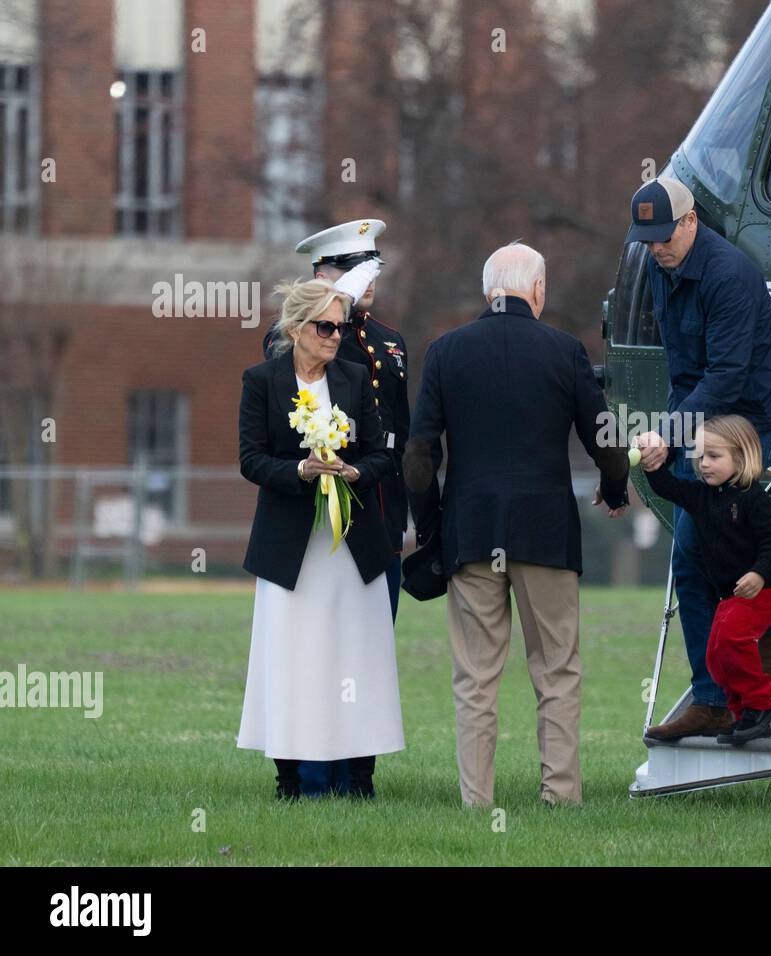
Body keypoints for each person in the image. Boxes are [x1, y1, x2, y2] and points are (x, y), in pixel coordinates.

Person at [403, 242, 629, 807]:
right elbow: (605, 440)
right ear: (539, 290)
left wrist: (433, 527)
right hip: (545, 532)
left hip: (471, 532)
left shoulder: (446, 351)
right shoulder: (564, 350)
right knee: (556, 671)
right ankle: (560, 794)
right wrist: (616, 488)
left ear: (488, 292)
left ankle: (476, 800)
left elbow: (419, 456)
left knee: (476, 678)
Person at [624, 176, 771, 743]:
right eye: (647, 240)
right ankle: (714, 699)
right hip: (697, 416)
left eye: (664, 237)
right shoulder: (659, 265)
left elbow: (726, 376)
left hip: (751, 420)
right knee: (690, 563)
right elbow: (682, 365)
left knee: (720, 547)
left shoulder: (729, 274)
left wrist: (669, 432)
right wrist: (673, 429)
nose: (656, 249)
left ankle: (767, 637)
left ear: (692, 220)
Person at [236, 277, 404, 800]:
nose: (337, 336)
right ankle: (290, 783)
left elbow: (383, 454)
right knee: (292, 659)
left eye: (341, 326)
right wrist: (301, 472)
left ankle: (360, 782)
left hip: (352, 545)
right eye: (326, 326)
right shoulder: (262, 381)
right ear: (296, 328)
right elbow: (251, 459)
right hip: (291, 549)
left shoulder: (354, 380)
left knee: (359, 658)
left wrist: (354, 472)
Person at [637, 416, 771, 745]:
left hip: (763, 591)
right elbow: (667, 487)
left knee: (732, 640)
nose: (703, 464)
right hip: (732, 598)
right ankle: (737, 711)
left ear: (742, 456)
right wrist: (651, 463)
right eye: (700, 456)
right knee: (716, 652)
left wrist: (758, 573)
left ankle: (761, 705)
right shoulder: (702, 497)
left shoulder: (754, 499)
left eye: (713, 457)